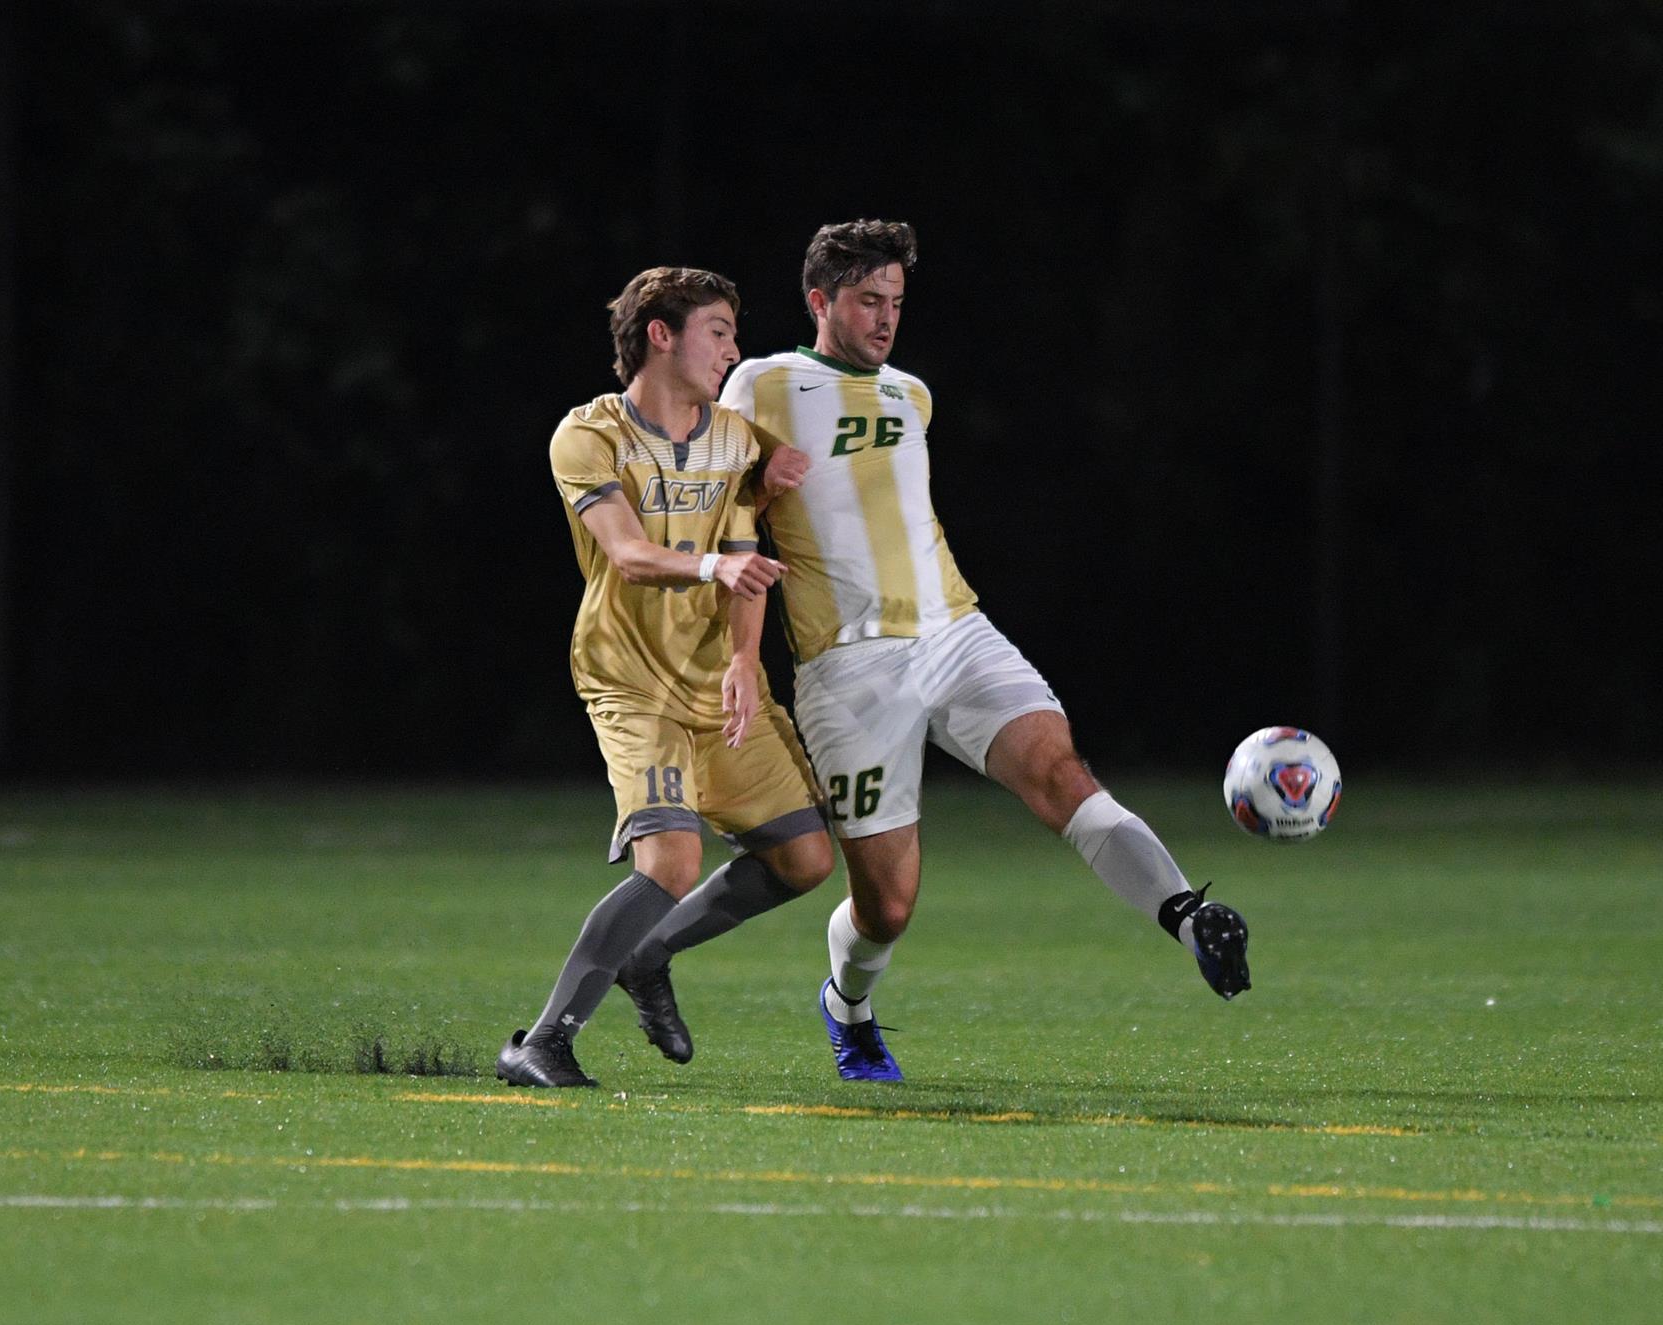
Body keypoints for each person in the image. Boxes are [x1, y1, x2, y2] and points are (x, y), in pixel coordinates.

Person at [616, 222, 1248, 1083]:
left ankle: (1186, 914)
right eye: (867, 301)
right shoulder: (761, 383)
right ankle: (848, 1004)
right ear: (819, 301)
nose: (886, 318)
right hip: (848, 667)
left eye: (896, 302)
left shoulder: (910, 395)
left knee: (1059, 770)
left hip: (955, 632)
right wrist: (756, 508)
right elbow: (717, 509)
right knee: (887, 907)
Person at [496, 267, 835, 1089]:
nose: (732, 350)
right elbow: (627, 553)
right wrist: (713, 565)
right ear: (660, 333)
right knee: (672, 861)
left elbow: (749, 559)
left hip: (715, 680)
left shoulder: (736, 438)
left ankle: (647, 954)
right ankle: (542, 1041)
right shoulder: (589, 435)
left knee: (806, 859)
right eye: (718, 331)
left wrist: (746, 661)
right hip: (632, 679)